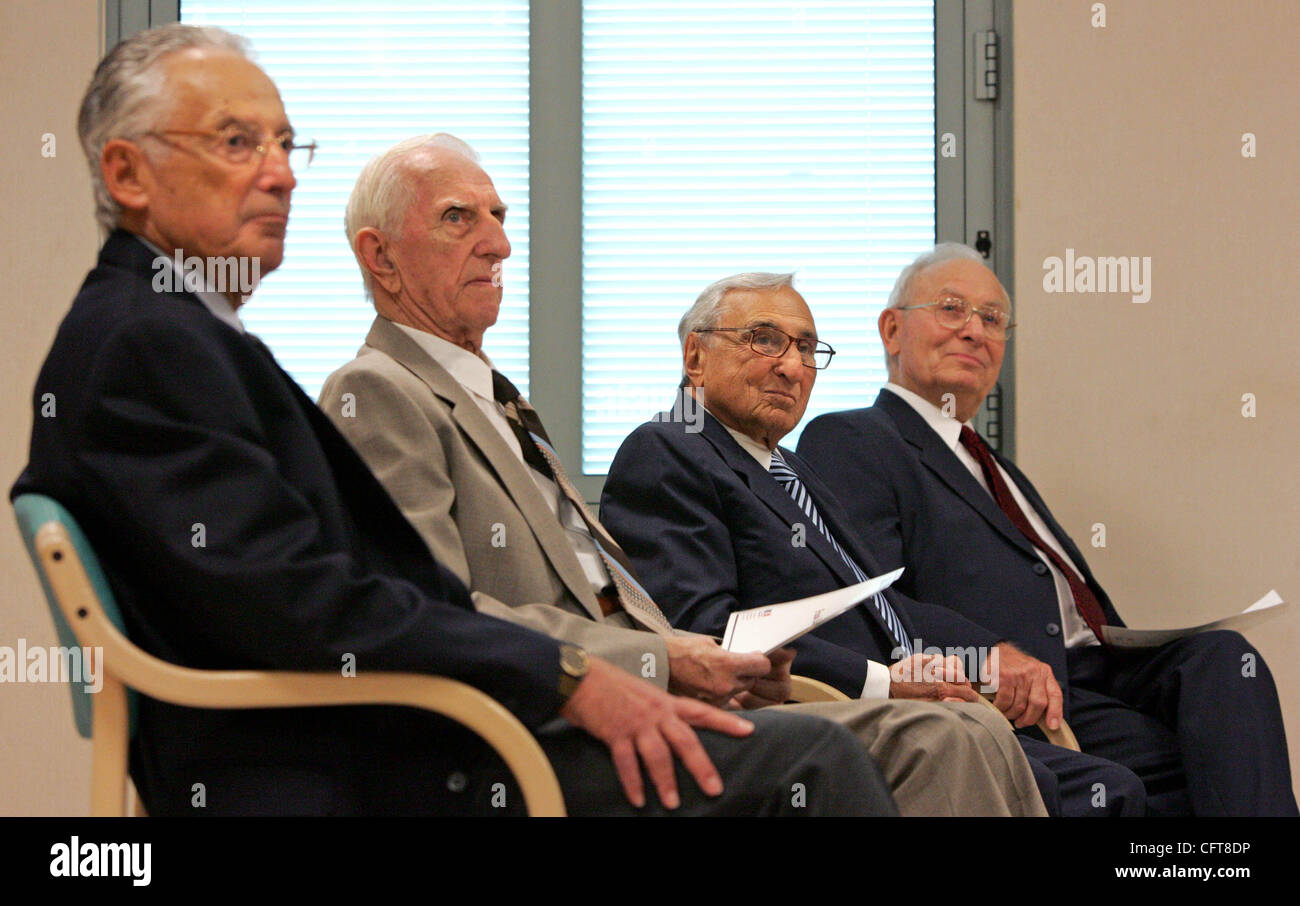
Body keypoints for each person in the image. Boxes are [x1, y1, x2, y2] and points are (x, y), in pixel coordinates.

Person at [10, 23, 893, 817]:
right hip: (359, 763)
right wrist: (569, 677)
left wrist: (642, 666)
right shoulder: (146, 344)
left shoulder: (187, 333)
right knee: (810, 761)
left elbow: (355, 589)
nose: (279, 172)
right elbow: (303, 608)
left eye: (284, 144)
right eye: (236, 143)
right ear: (126, 173)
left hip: (414, 732)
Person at [320, 134, 1047, 816]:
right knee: (930, 738)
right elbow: (431, 609)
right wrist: (661, 656)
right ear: (379, 256)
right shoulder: (378, 390)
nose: (500, 243)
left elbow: (608, 591)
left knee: (972, 730)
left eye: (500, 217)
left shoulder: (503, 402)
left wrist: (698, 658)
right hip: (540, 724)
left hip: (652, 684)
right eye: (458, 218)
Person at [601, 271, 1150, 816]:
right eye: (765, 340)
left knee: (1114, 787)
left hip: (915, 711)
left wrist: (983, 660)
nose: (792, 367)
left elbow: (880, 604)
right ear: (695, 357)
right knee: (1091, 794)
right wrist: (886, 682)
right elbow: (710, 630)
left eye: (808, 349)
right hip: (821, 725)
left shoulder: (793, 471)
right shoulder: (668, 450)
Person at [797, 242, 1299, 816]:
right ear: (891, 330)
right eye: (952, 309)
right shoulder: (855, 438)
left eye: (992, 319)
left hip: (1103, 670)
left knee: (1226, 661)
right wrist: (985, 654)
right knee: (1207, 772)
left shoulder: (998, 471)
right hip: (1019, 691)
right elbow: (868, 597)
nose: (974, 331)